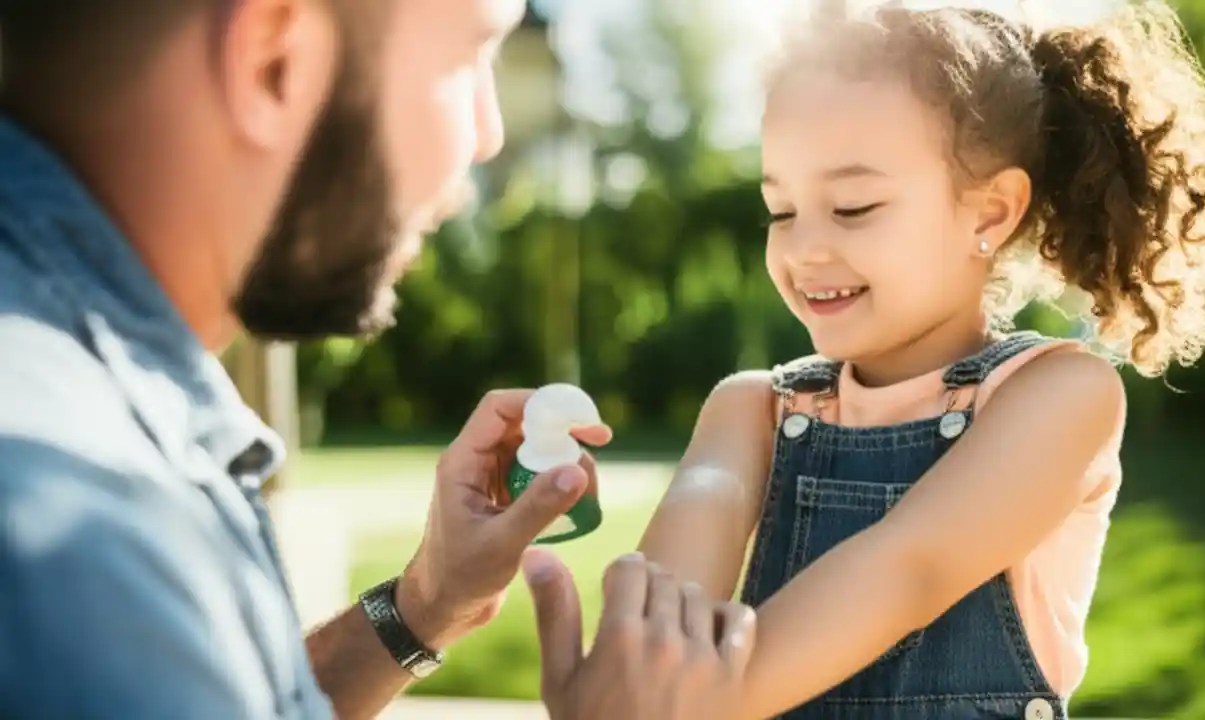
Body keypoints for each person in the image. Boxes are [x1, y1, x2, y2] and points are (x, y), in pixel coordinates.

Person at [0, 0, 756, 718]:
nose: (487, 134)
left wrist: (426, 605)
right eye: (471, 57)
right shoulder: (79, 527)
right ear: (276, 63)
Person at [636, 2, 1205, 718]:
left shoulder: (1058, 394)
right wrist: (637, 669)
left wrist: (685, 702)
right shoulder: (751, 411)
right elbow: (657, 615)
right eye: (781, 210)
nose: (803, 248)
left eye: (854, 206)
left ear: (989, 213)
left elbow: (908, 569)